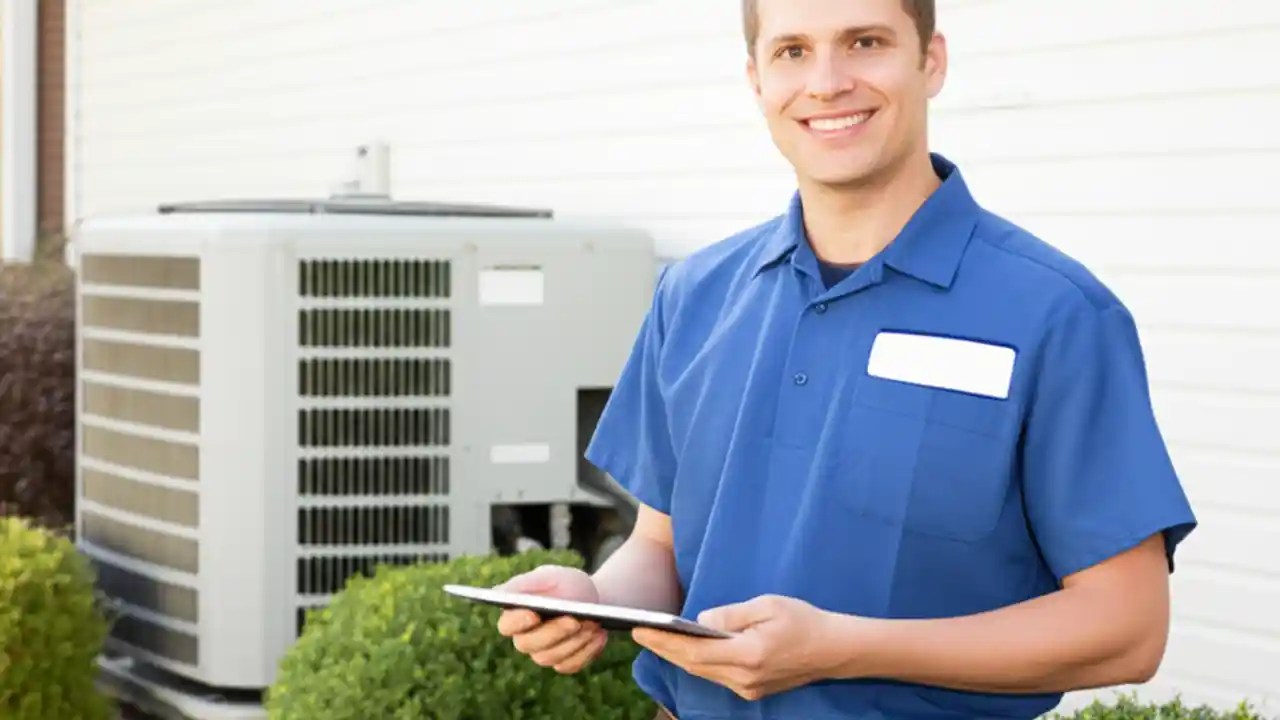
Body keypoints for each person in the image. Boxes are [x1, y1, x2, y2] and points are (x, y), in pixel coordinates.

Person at [494, 0, 1198, 717]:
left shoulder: (1058, 315)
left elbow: (1127, 631)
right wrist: (597, 601)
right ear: (756, 78)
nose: (826, 83)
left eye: (864, 42)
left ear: (932, 61)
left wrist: (841, 648)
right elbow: (663, 550)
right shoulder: (694, 297)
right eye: (792, 51)